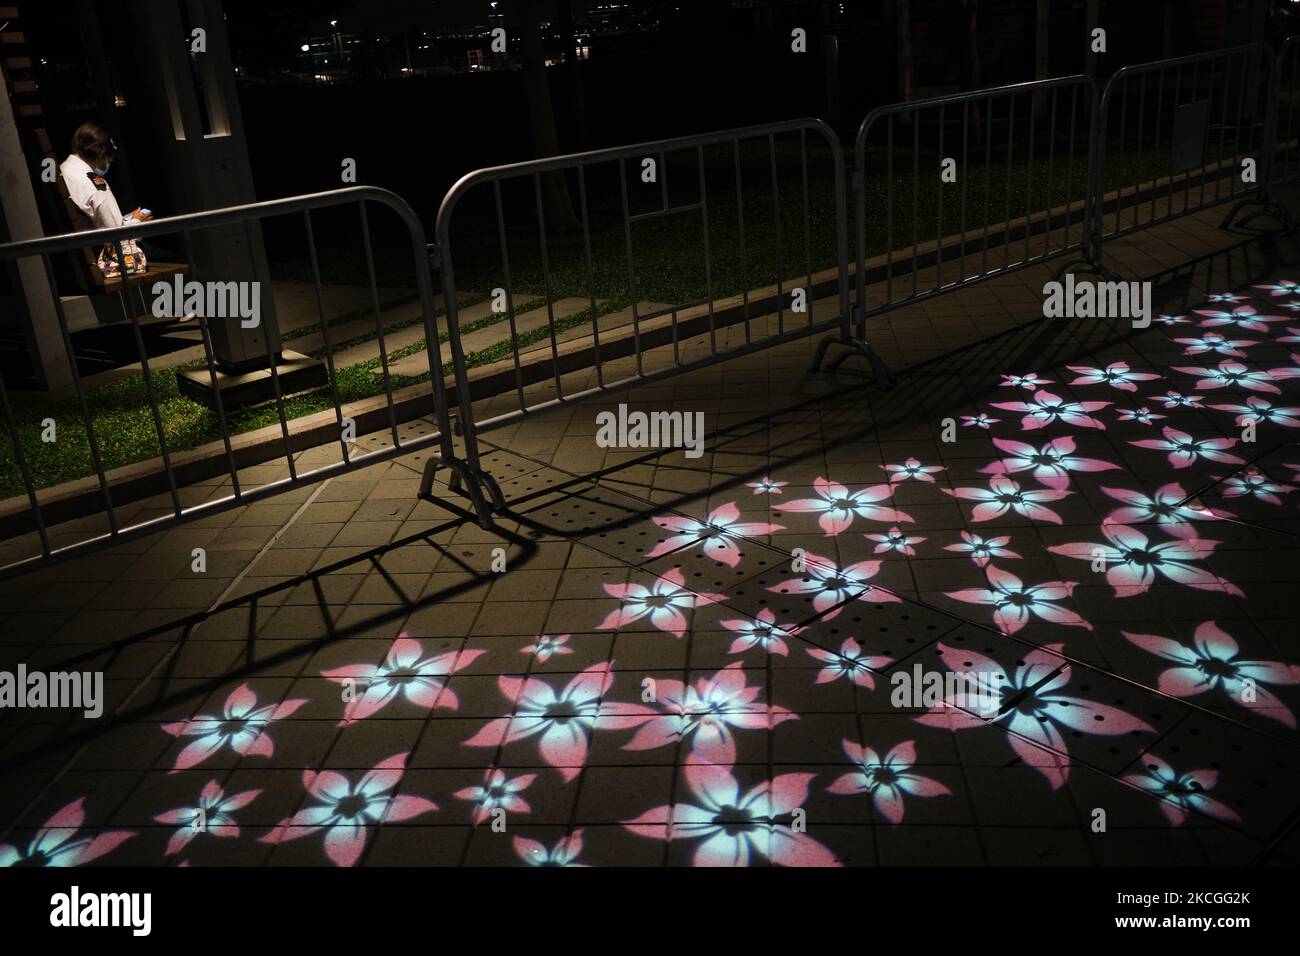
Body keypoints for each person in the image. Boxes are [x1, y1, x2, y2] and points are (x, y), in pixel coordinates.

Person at [59, 122, 153, 276]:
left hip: (76, 260)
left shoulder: (64, 170)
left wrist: (126, 219)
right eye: (109, 158)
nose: (109, 163)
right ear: (100, 154)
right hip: (101, 260)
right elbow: (116, 235)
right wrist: (138, 223)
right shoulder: (95, 184)